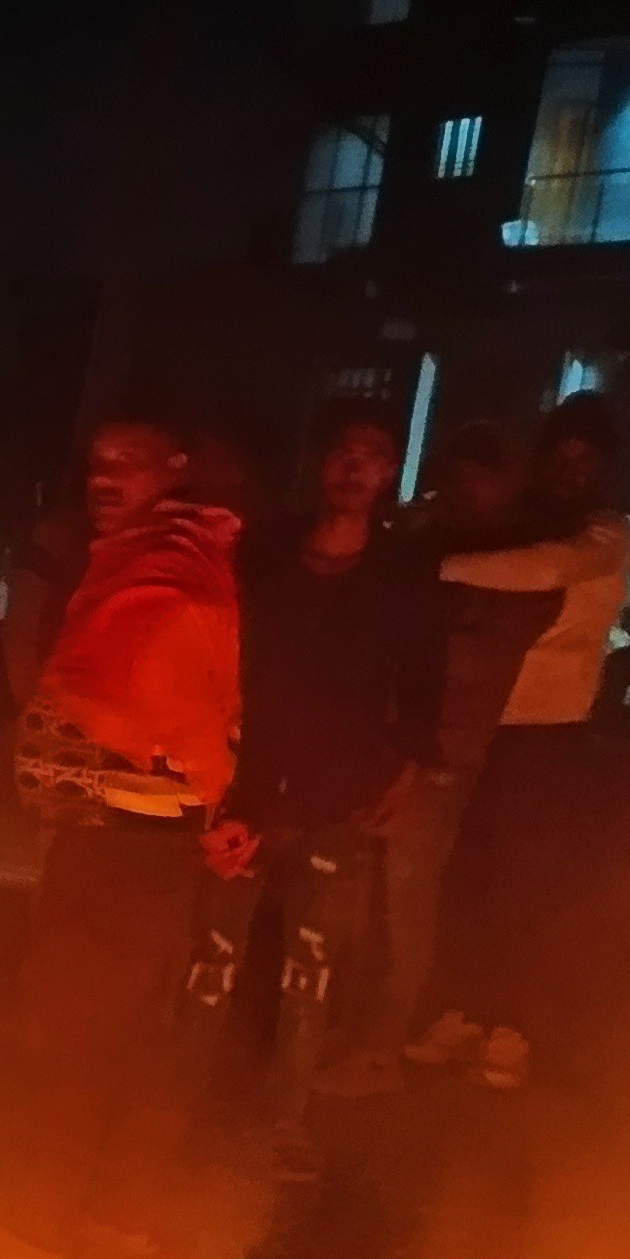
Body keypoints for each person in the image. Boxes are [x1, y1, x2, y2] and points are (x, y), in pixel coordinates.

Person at [0, 414, 244, 1259]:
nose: (108, 476)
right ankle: (120, 1219)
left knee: (69, 1029)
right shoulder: (170, 549)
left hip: (125, 836)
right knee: (129, 1032)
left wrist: (104, 728)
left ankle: (37, 1229)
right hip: (145, 833)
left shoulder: (166, 563)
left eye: (130, 461)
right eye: (98, 463)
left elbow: (142, 675)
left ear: (177, 466)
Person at [228, 404, 439, 1172]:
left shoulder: (400, 574)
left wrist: (406, 770)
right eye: (342, 452)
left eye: (372, 457)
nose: (354, 468)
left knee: (309, 967)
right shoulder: (266, 553)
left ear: (389, 474)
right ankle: (168, 1112)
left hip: (338, 788)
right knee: (209, 960)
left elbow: (423, 680)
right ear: (321, 464)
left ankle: (283, 1119)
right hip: (245, 780)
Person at [314, 421, 541, 1093]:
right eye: (457, 473)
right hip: (380, 743)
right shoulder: (430, 543)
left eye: (480, 475)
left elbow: (458, 656)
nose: (464, 487)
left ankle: (379, 1047)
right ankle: (338, 1031)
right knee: (354, 899)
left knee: (403, 907)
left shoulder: (519, 565)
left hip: (439, 753)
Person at [422, 393, 630, 1088]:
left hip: (552, 738)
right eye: (561, 456)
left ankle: (513, 1026)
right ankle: (461, 1014)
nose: (571, 470)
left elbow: (544, 571)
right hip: (487, 731)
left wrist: (436, 569)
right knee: (469, 882)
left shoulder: (604, 535)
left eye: (585, 459)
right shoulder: (513, 528)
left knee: (525, 888)